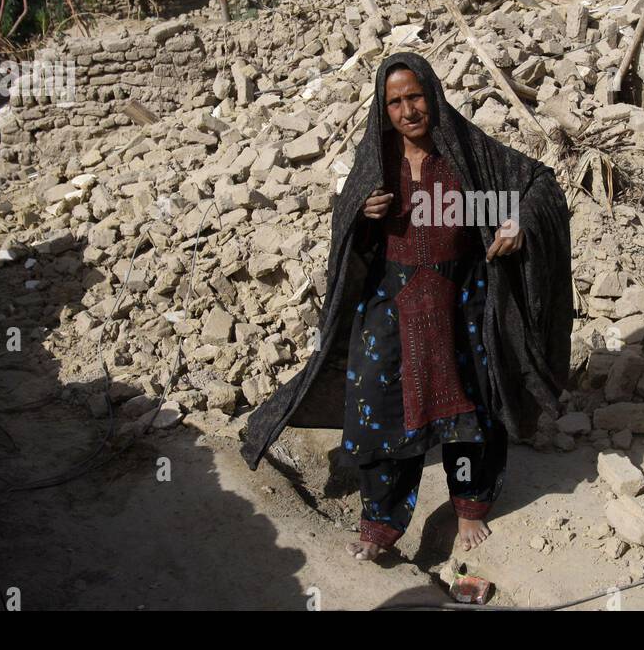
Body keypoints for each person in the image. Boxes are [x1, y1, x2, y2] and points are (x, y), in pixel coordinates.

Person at [241, 51, 573, 561]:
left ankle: (468, 507)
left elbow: (538, 184)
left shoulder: (464, 149)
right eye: (395, 101)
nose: (408, 110)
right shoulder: (377, 159)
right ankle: (381, 524)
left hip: (460, 301)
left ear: (433, 95)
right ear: (383, 107)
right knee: (380, 411)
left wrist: (517, 223)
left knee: (471, 407)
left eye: (415, 96)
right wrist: (362, 214)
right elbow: (347, 224)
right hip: (391, 306)